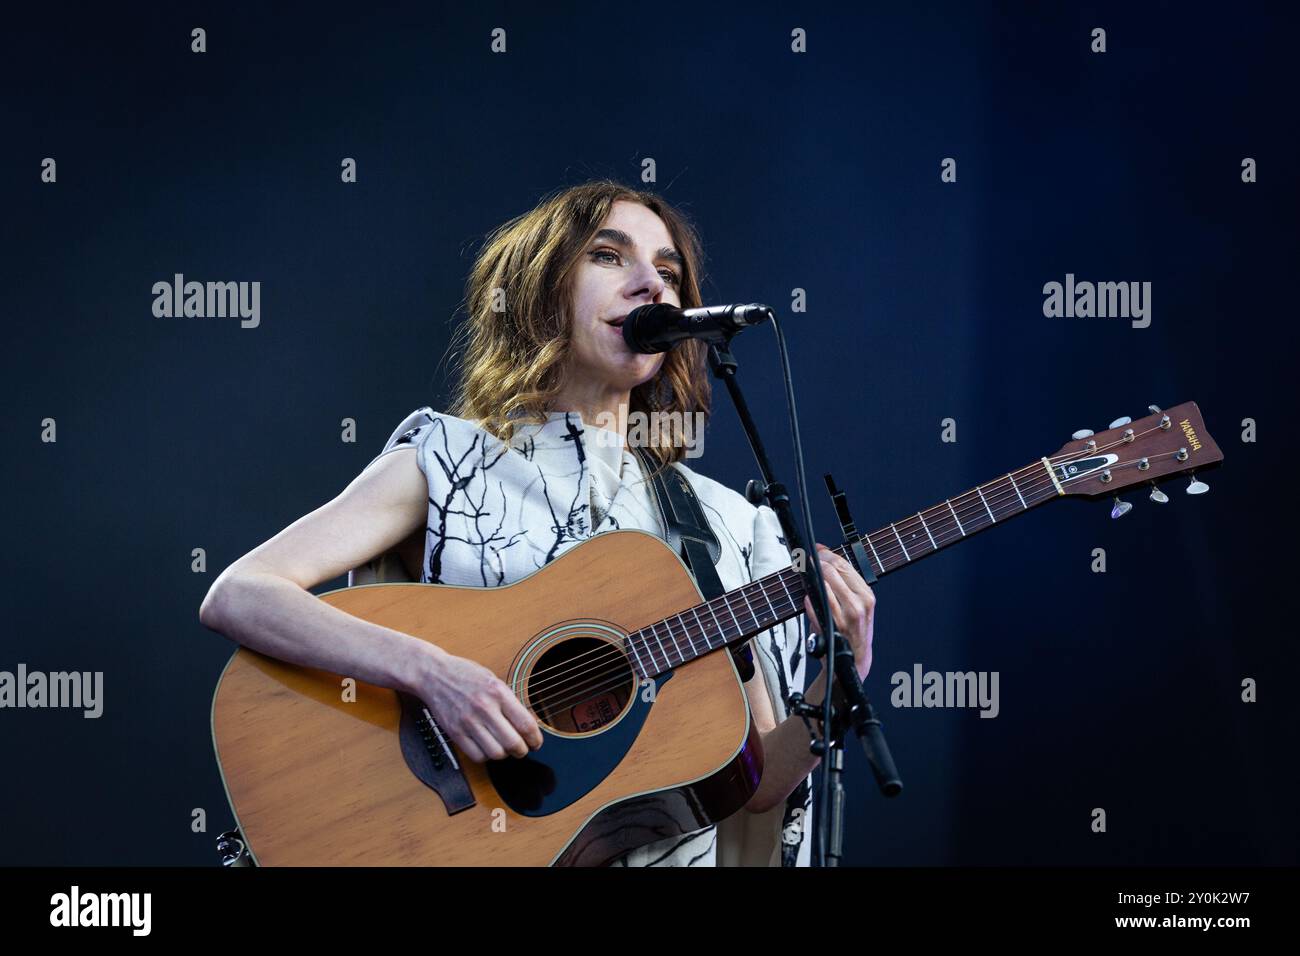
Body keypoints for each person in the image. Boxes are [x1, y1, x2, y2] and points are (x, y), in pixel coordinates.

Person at [199, 180, 877, 867]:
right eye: (610, 257)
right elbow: (241, 592)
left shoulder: (722, 521)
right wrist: (434, 674)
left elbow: (755, 783)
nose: (652, 285)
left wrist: (838, 681)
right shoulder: (447, 459)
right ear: (539, 288)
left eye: (669, 271)